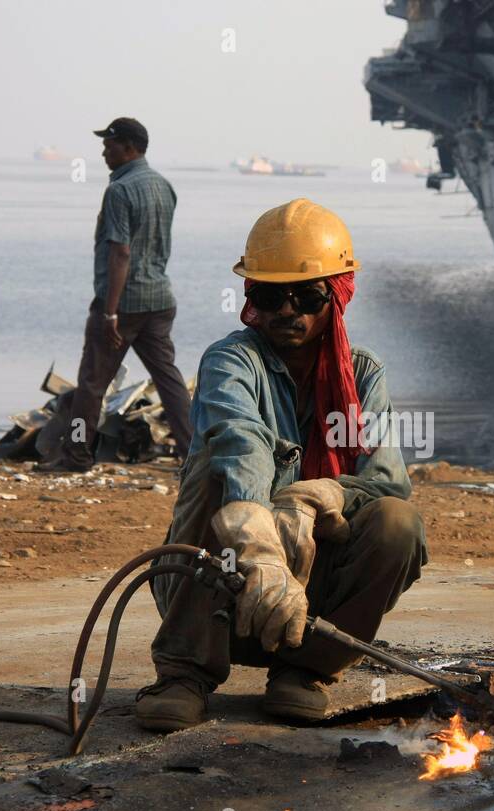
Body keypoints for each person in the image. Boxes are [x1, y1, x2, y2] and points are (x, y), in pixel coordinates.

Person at [134, 198, 426, 730]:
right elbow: (238, 438)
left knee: (396, 521)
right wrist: (260, 546)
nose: (287, 311)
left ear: (336, 296)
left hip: (310, 605)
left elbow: (387, 479)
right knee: (213, 473)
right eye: (270, 296)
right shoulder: (231, 361)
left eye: (306, 296)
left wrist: (327, 495)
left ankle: (304, 671)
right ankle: (184, 673)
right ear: (252, 299)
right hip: (219, 589)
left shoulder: (363, 374)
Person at [41, 117, 193, 472]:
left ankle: (76, 456)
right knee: (171, 385)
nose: (103, 152)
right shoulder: (164, 186)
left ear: (128, 147)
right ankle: (194, 456)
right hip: (159, 299)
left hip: (123, 306)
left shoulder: (119, 191)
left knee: (91, 386)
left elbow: (121, 253)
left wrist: (110, 312)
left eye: (109, 145)